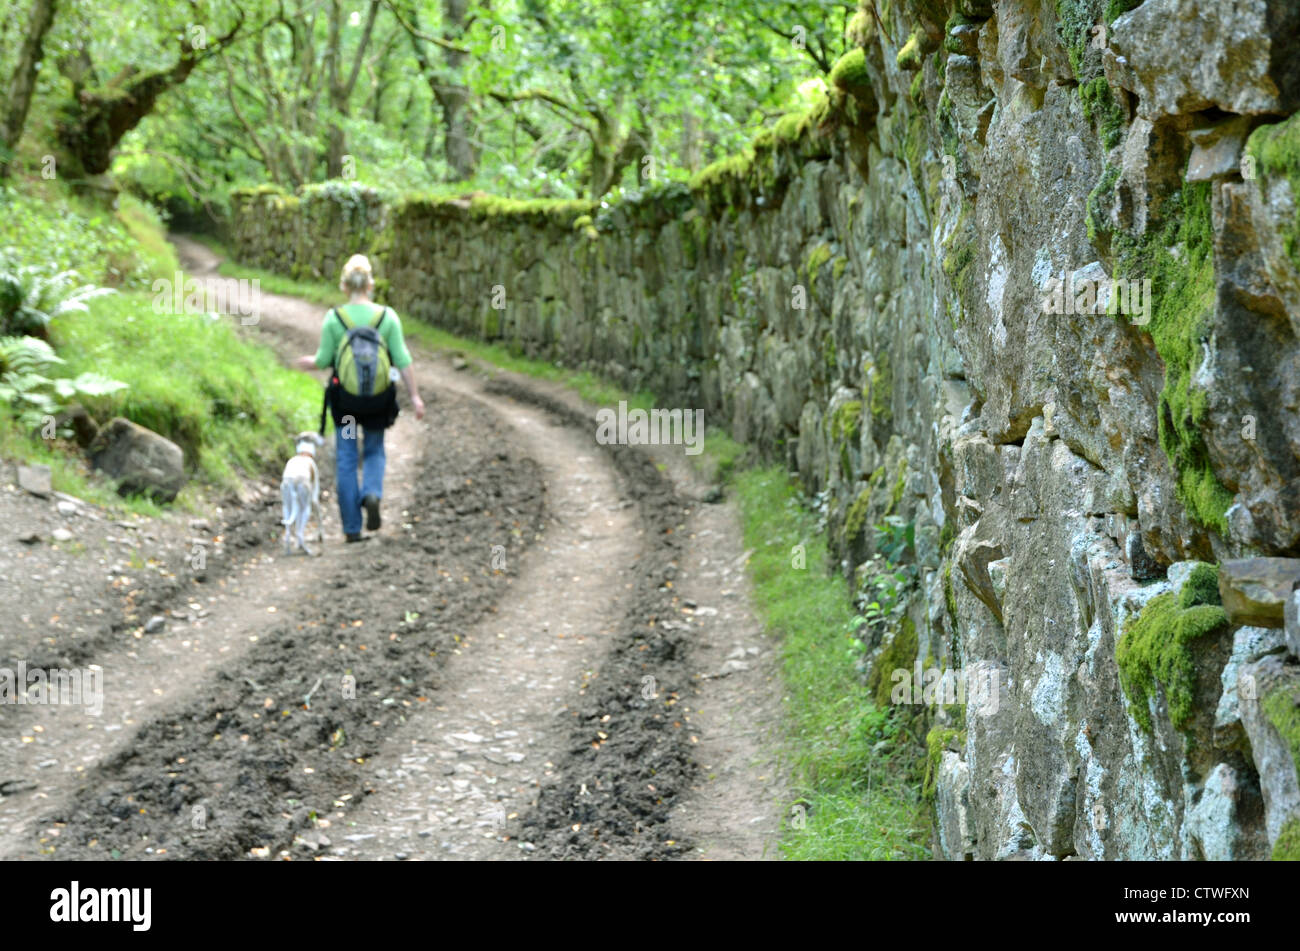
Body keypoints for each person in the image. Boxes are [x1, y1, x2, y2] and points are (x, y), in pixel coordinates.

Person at [296, 254, 425, 542]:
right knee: (375, 450)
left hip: (349, 406)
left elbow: (324, 359)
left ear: (344, 286)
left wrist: (308, 362)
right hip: (378, 402)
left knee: (346, 456)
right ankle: (371, 493)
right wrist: (415, 396)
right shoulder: (386, 317)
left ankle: (352, 528)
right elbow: (403, 360)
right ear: (370, 285)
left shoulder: (335, 318)